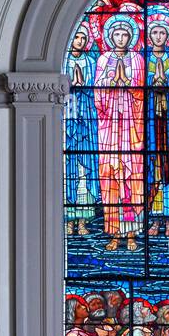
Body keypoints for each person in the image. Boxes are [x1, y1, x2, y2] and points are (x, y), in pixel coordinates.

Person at [94, 12, 146, 250]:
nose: (121, 38)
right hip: (109, 127)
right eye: (117, 33)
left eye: (126, 34)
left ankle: (132, 233)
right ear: (110, 36)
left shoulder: (137, 59)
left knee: (132, 180)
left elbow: (140, 93)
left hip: (131, 127)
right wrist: (113, 80)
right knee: (111, 180)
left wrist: (127, 83)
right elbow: (98, 95)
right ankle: (114, 234)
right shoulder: (103, 59)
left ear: (131, 37)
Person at [144, 10, 169, 238]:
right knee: (154, 169)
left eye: (162, 32)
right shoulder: (144, 59)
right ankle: (155, 219)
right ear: (150, 36)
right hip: (151, 123)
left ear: (168, 36)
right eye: (155, 32)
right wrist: (151, 83)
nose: (158, 36)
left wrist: (167, 83)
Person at [64, 23, 100, 236]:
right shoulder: (64, 61)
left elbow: (98, 90)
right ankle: (68, 220)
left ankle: (83, 221)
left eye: (82, 38)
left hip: (86, 117)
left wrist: (83, 87)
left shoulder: (90, 61)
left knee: (84, 172)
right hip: (67, 115)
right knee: (68, 171)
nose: (79, 41)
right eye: (76, 36)